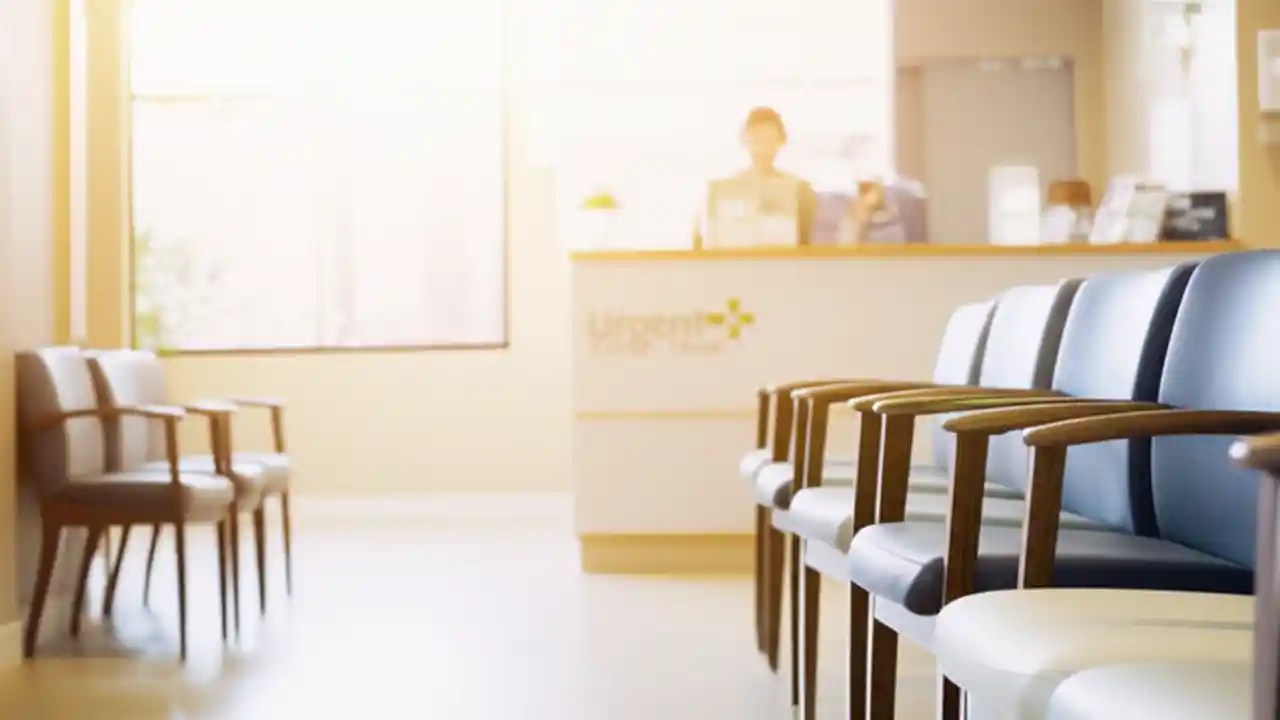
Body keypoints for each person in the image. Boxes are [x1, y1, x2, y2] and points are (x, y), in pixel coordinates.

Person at [697, 107, 818, 248]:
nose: (762, 148)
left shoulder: (800, 190)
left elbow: (806, 246)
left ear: (781, 142)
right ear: (745, 140)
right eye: (756, 140)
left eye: (769, 140)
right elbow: (707, 240)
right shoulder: (723, 190)